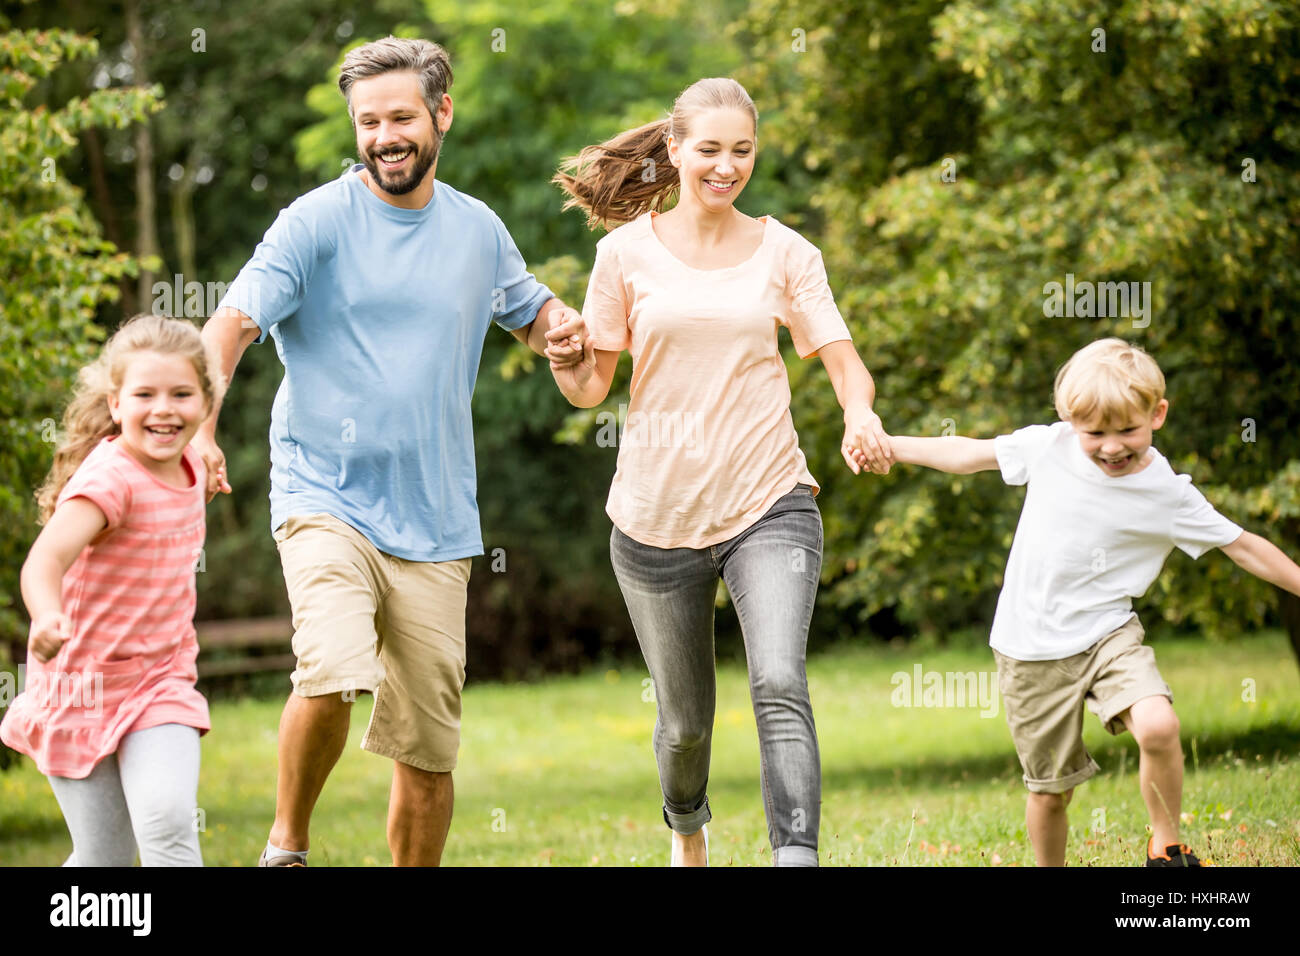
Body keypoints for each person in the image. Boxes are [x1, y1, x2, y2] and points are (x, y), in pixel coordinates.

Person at [195, 36, 584, 868]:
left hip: (437, 518)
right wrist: (202, 420)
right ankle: (286, 843)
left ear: (442, 113)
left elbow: (534, 312)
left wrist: (566, 331)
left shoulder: (477, 230)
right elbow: (230, 324)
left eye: (401, 117)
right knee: (331, 667)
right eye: (368, 121)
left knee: (428, 746)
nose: (384, 137)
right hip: (323, 493)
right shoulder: (315, 221)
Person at [551, 77, 891, 867]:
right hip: (653, 517)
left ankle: (794, 856)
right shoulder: (623, 254)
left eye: (742, 150)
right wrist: (566, 360)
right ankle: (687, 829)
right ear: (675, 150)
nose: (725, 165)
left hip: (768, 501)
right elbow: (589, 387)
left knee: (778, 680)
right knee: (684, 723)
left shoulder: (785, 251)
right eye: (709, 149)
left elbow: (845, 363)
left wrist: (859, 414)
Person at [879, 337, 1300, 866]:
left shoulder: (1167, 492)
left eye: (1128, 430)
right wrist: (892, 445)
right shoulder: (1048, 447)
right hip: (1029, 645)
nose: (1111, 446)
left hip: (1108, 633)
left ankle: (1166, 848)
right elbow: (969, 453)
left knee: (1159, 725)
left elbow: (1242, 547)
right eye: (1093, 433)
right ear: (1069, 421)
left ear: (1158, 414)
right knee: (1051, 791)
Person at [1, 314, 223, 866]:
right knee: (106, 861)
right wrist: (47, 615)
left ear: (205, 401)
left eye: (181, 394)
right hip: (82, 687)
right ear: (116, 403)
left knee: (169, 819)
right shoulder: (110, 480)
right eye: (145, 394)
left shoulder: (194, 464)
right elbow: (44, 560)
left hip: (160, 679)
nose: (165, 408)